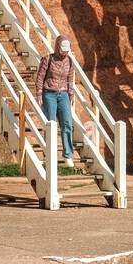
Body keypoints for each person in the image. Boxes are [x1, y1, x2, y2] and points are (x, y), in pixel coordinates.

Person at [36, 36, 77, 168]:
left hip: (64, 94)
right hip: (49, 94)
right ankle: (48, 153)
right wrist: (39, 94)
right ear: (57, 47)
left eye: (66, 50)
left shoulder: (69, 61)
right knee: (51, 124)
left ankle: (68, 155)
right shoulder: (48, 59)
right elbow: (40, 77)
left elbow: (70, 79)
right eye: (62, 49)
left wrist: (71, 93)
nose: (64, 52)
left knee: (67, 123)